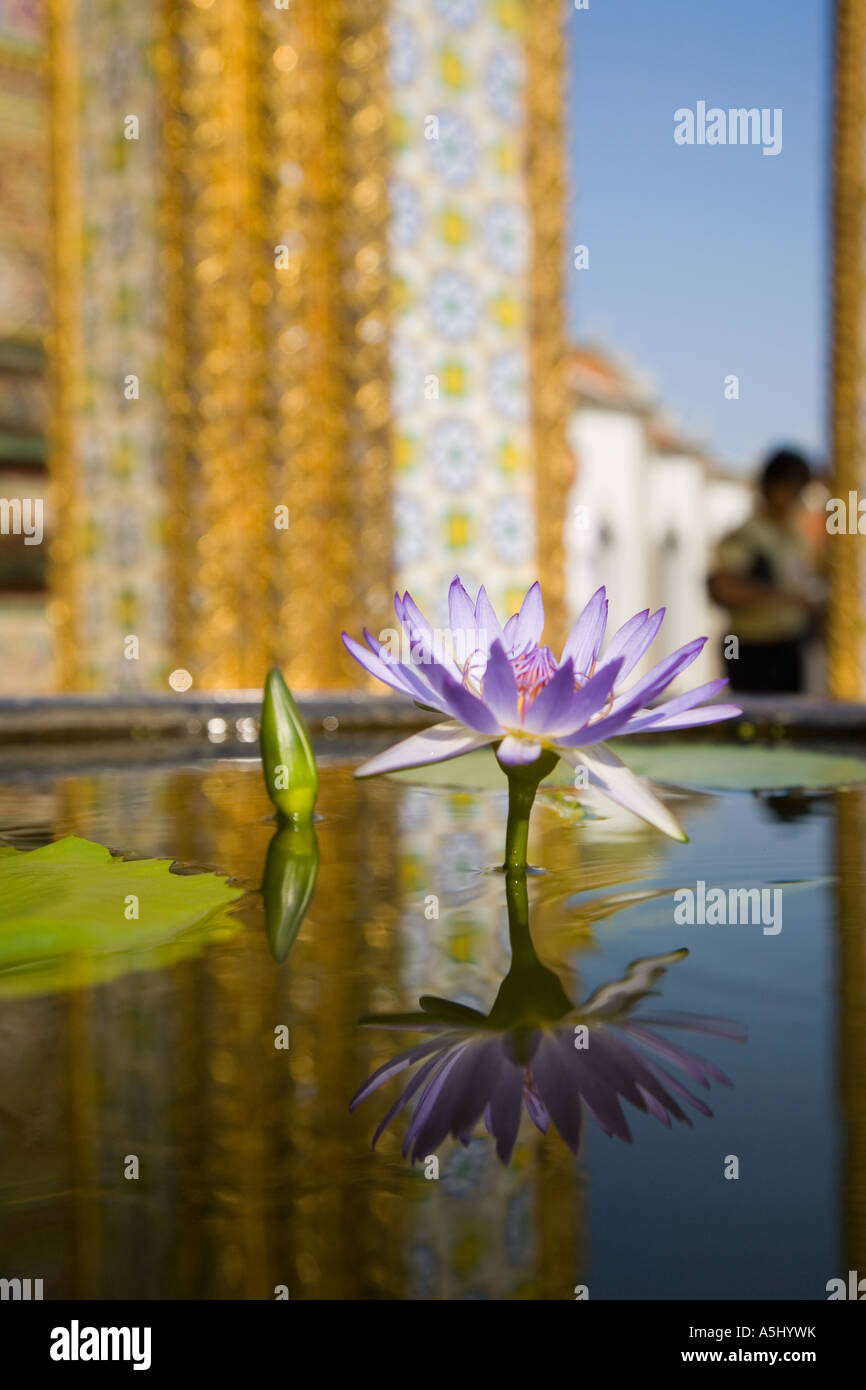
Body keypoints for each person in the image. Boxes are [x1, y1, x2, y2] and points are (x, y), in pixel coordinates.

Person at [707, 449, 825, 693]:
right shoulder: (749, 535)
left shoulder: (793, 535)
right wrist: (789, 600)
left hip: (787, 645)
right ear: (771, 487)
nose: (795, 497)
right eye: (790, 488)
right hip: (751, 647)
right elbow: (722, 587)